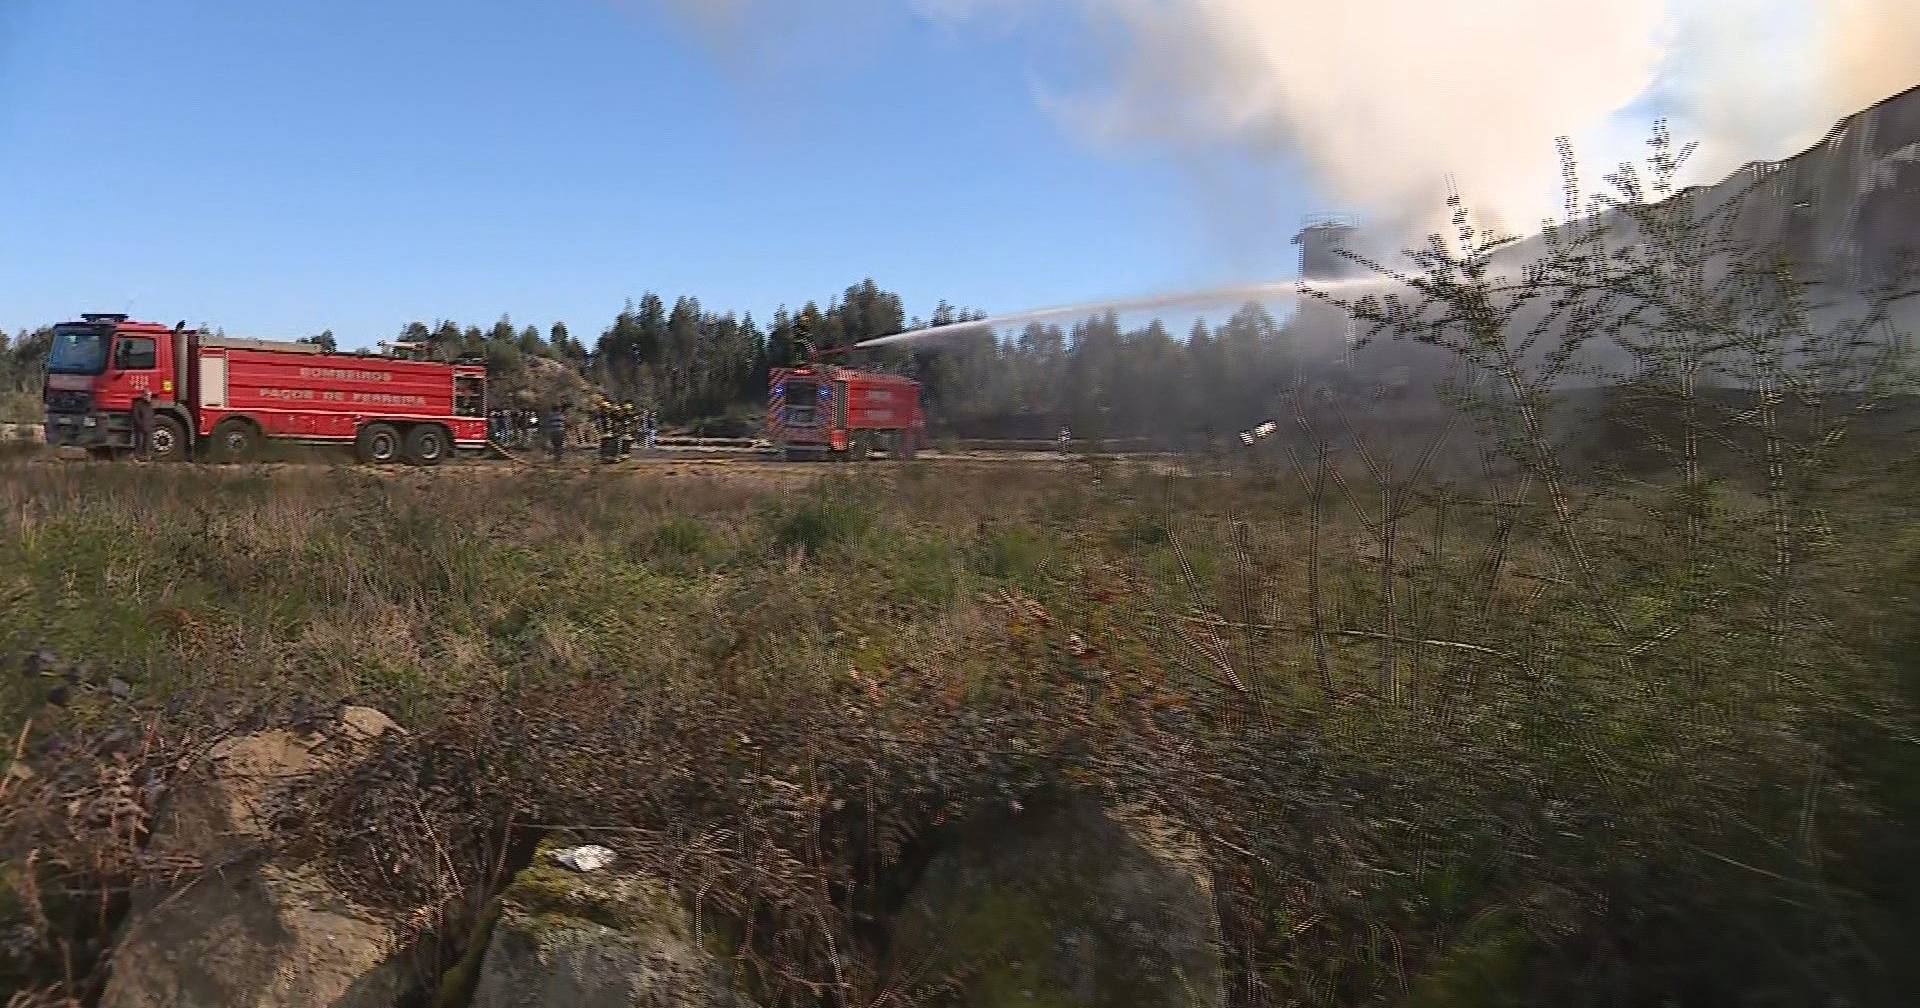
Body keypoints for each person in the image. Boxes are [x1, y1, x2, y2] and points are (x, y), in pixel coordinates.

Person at [131, 396, 154, 462]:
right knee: (139, 442)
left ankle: (146, 457)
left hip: (148, 426)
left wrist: (152, 424)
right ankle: (137, 457)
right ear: (144, 396)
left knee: (147, 442)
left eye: (150, 396)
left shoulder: (150, 404)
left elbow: (151, 415)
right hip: (141, 427)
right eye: (147, 396)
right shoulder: (138, 404)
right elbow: (136, 416)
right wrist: (140, 425)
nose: (149, 397)